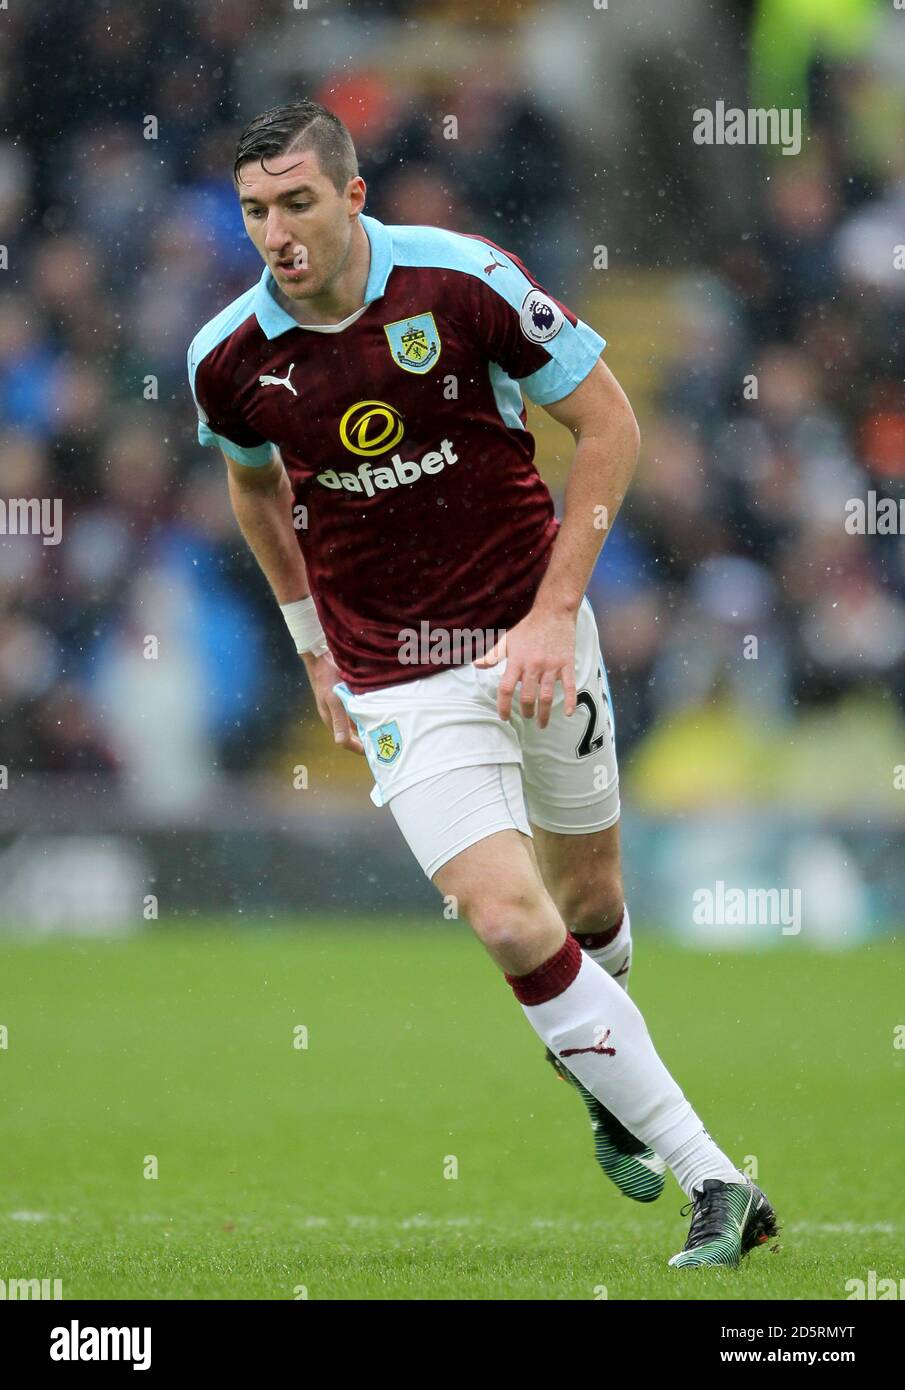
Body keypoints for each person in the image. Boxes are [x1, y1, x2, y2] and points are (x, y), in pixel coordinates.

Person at [187, 99, 777, 1269]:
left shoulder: (464, 284)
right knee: (508, 915)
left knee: (589, 898)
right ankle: (716, 1180)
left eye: (297, 202)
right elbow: (255, 490)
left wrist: (556, 613)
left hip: (531, 635)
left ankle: (607, 1081)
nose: (276, 232)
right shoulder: (228, 360)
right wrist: (309, 637)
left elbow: (606, 425)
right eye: (256, 210)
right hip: (392, 675)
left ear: (354, 196)